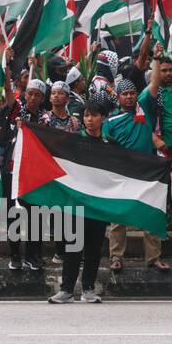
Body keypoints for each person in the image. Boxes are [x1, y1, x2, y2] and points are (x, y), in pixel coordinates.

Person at [103, 72, 172, 272]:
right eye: (124, 94)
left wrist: (156, 58)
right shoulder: (111, 121)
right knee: (118, 217)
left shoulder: (145, 111)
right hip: (122, 174)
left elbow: (155, 83)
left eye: (132, 93)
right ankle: (116, 257)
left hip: (147, 172)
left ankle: (154, 257)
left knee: (151, 214)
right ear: (118, 97)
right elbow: (105, 149)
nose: (129, 97)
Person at [50, 101, 116, 303]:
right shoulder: (73, 140)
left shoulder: (110, 144)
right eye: (86, 115)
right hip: (75, 204)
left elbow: (124, 168)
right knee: (73, 247)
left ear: (103, 118)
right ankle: (66, 290)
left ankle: (88, 289)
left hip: (98, 204)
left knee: (94, 249)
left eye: (94, 115)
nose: (89, 119)